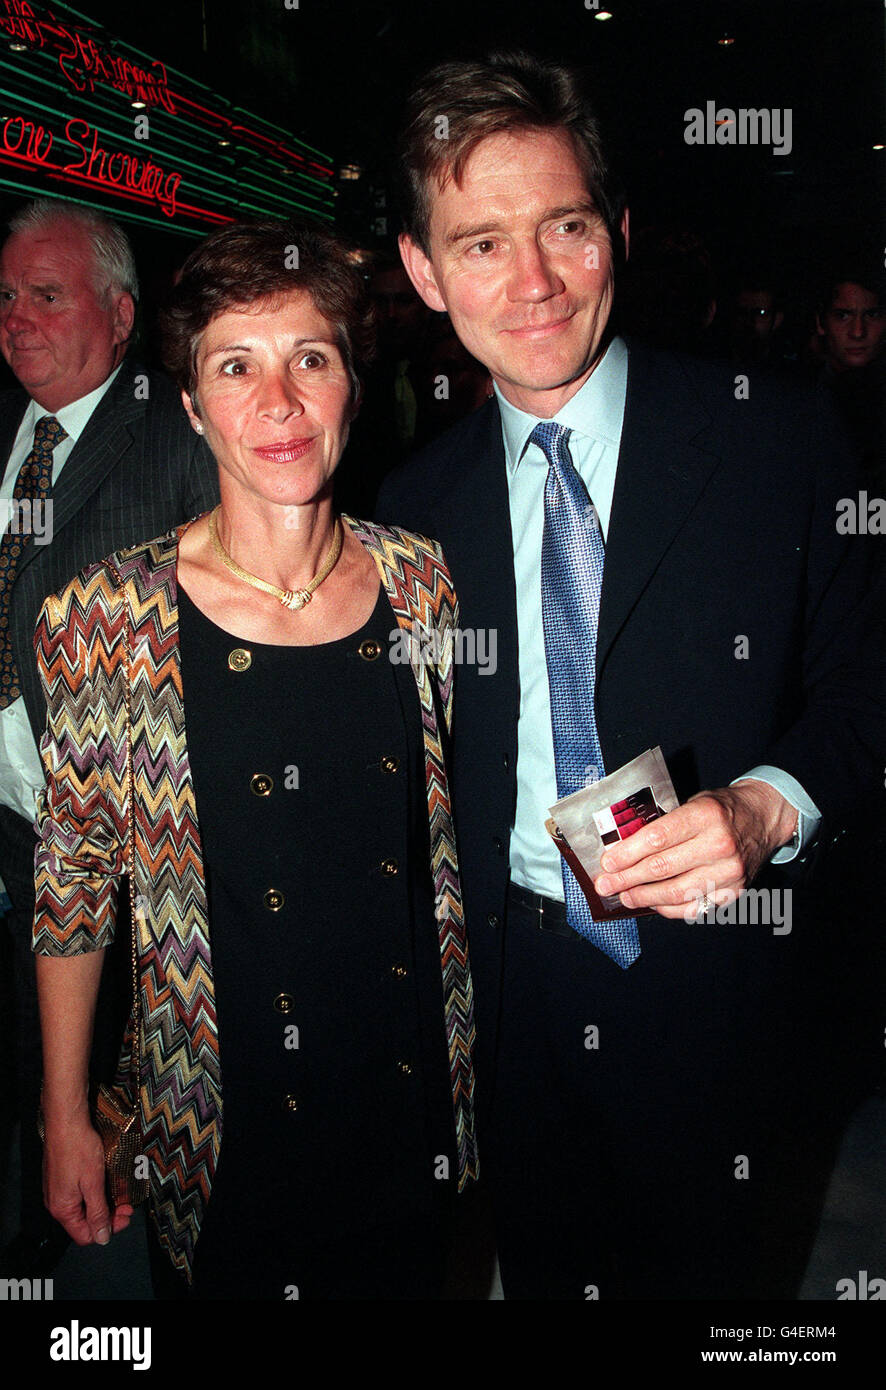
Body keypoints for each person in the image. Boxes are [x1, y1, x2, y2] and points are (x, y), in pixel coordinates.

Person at [377, 51, 884, 1299]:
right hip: (513, 1003)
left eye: (563, 227)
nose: (534, 281)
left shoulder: (777, 433)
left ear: (617, 230)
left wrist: (765, 808)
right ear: (423, 273)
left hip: (726, 985)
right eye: (480, 243)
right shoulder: (409, 506)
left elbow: (869, 693)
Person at [31, 218, 477, 1300]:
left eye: (308, 359)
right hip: (220, 1124)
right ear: (191, 404)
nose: (277, 403)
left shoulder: (424, 584)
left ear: (351, 390)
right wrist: (65, 1115)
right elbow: (73, 887)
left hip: (410, 1099)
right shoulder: (107, 618)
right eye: (236, 366)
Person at [0, 199, 218, 1278]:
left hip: (119, 874)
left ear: (121, 314)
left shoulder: (179, 441)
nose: (17, 318)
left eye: (47, 295)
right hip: (6, 841)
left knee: (103, 1146)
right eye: (5, 296)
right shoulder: (2, 431)